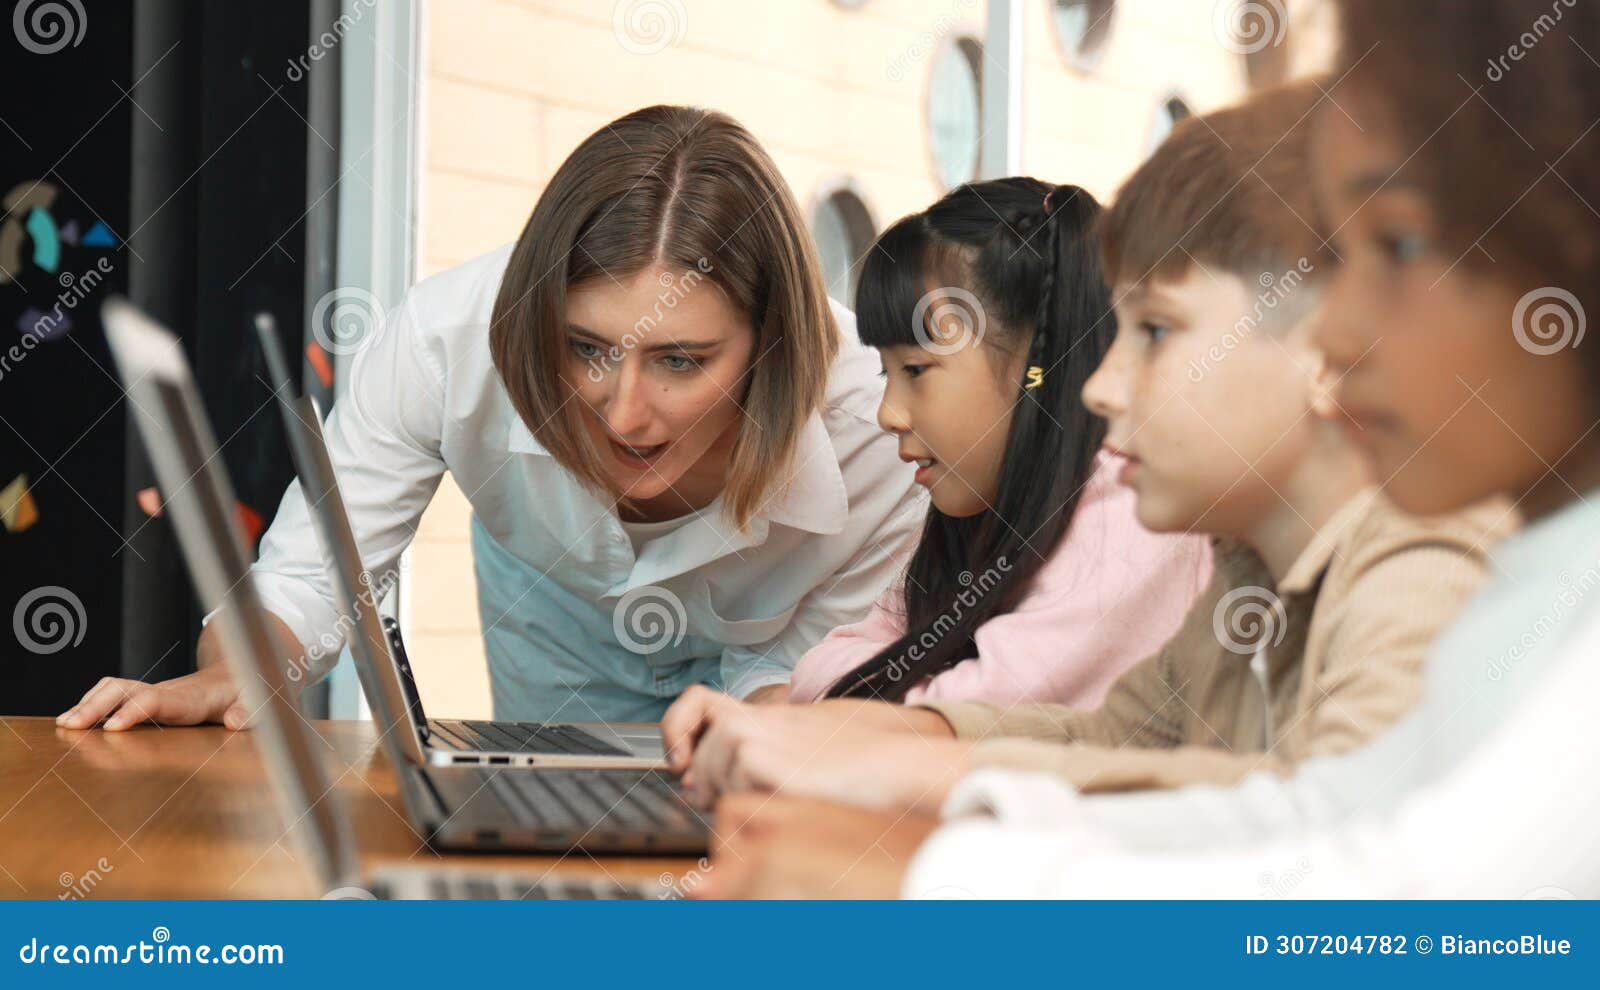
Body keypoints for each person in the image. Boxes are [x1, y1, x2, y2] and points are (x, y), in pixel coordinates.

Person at [700, 0, 1600, 898]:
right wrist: (914, 763)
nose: (1346, 327)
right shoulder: (1250, 571)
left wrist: (932, 856)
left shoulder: (1439, 557)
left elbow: (1378, 883)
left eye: (1159, 331)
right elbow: (1229, 783)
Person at [57, 105, 926, 730]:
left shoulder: (879, 431)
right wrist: (241, 675)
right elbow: (315, 575)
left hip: (782, 655)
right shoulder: (445, 340)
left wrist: (759, 749)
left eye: (679, 362)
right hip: (557, 604)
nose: (623, 414)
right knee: (563, 867)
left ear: (770, 343)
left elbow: (797, 681)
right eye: (586, 348)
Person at [785, 178, 1209, 710]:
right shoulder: (985, 508)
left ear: (1039, 367)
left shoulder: (1132, 517)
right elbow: (830, 667)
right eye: (885, 372)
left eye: (916, 370)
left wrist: (904, 685)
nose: (887, 414)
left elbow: (966, 714)